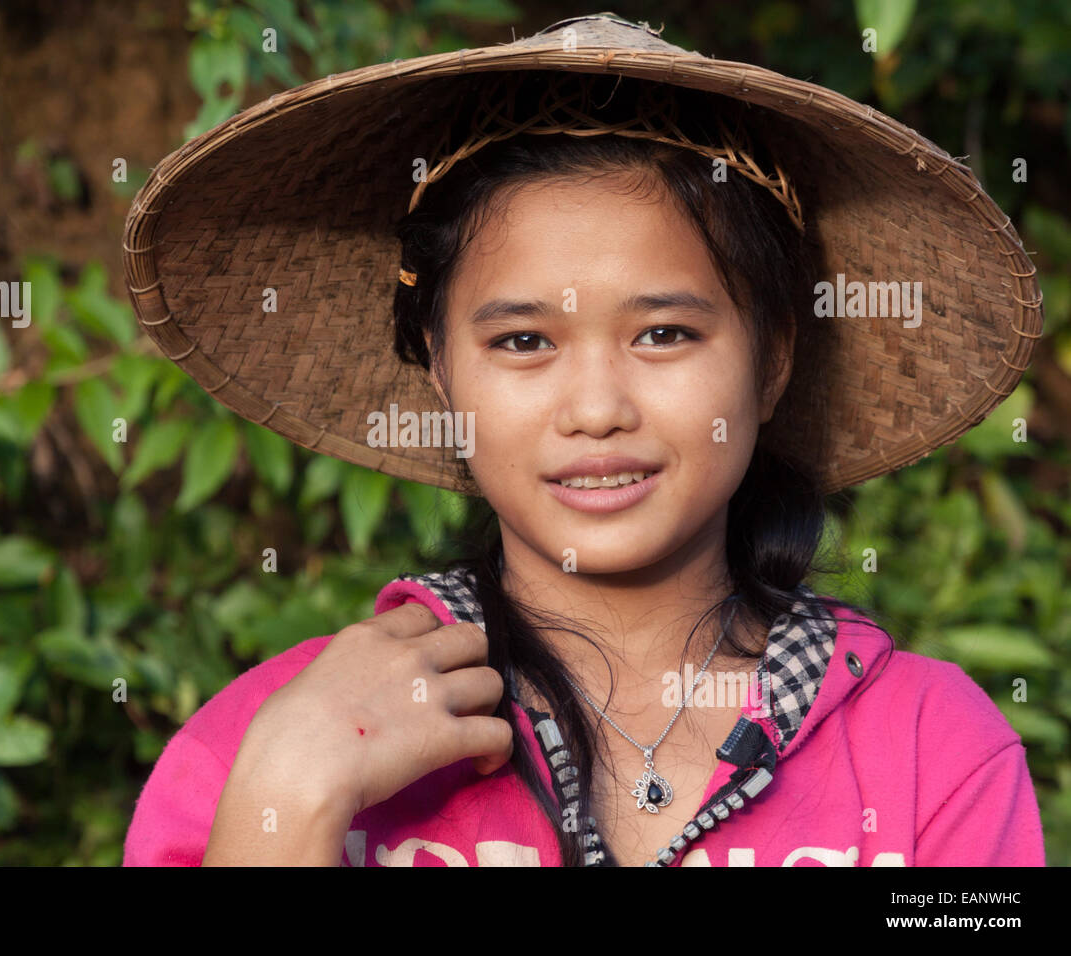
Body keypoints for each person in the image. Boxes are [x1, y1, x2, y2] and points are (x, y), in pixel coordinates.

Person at [120, 14, 1046, 866]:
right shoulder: (261, 745)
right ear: (440, 367)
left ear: (771, 361)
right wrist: (287, 798)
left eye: (664, 334)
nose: (596, 409)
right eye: (523, 342)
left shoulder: (934, 754)